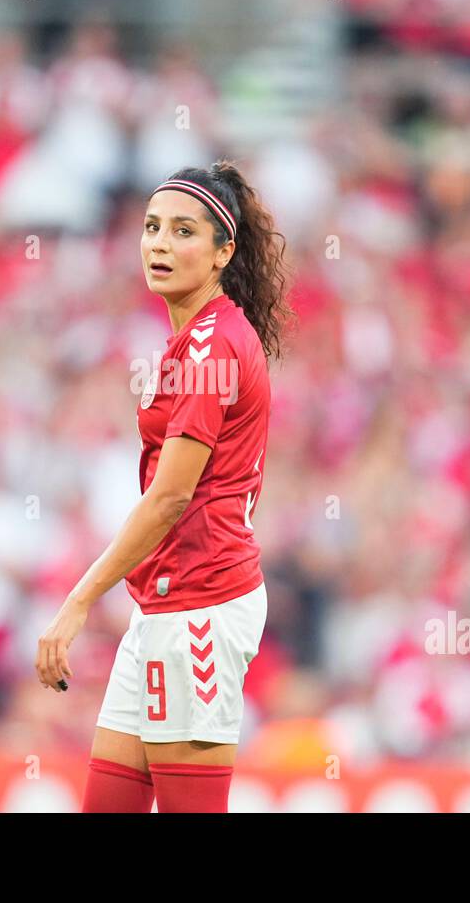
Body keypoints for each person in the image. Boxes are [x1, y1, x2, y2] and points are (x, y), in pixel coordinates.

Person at [35, 160, 293, 812]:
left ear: (221, 252)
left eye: (183, 231)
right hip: (165, 606)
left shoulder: (211, 349)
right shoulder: (194, 338)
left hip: (200, 607)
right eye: (151, 227)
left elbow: (173, 496)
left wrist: (78, 601)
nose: (158, 243)